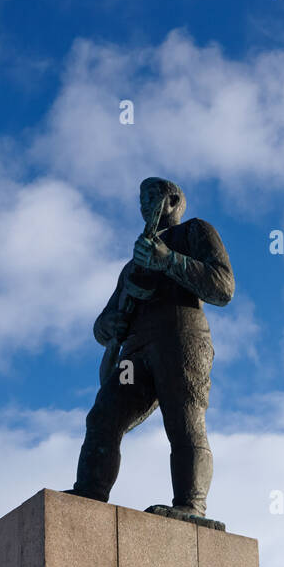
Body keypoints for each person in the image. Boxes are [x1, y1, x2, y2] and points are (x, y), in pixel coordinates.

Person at [67, 177, 234, 519]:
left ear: (171, 201)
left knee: (183, 418)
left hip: (181, 337)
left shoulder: (194, 232)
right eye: (140, 198)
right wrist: (106, 325)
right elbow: (105, 321)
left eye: (151, 197)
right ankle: (90, 492)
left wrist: (169, 260)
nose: (144, 205)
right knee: (103, 416)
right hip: (134, 353)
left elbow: (223, 287)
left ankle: (191, 505)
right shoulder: (132, 264)